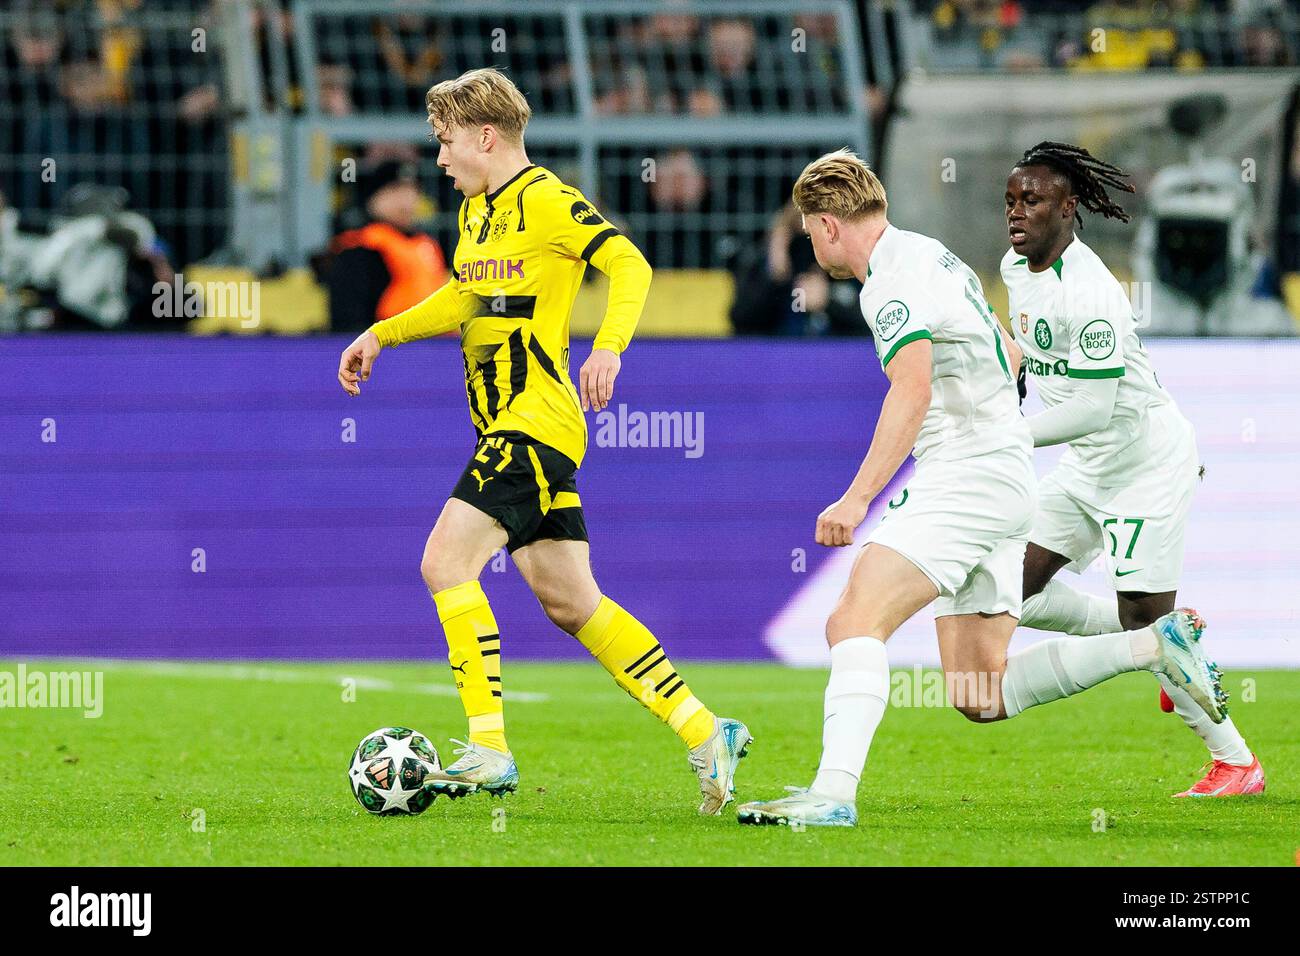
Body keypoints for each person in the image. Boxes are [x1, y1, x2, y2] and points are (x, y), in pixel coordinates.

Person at [736, 149, 1226, 828]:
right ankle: (1149, 643)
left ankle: (833, 795)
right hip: (1004, 476)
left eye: (809, 232)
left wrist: (857, 497)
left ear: (825, 226)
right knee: (978, 691)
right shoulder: (930, 254)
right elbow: (1004, 349)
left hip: (966, 474)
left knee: (853, 618)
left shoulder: (888, 284)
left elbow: (912, 389)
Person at [336, 68, 750, 814]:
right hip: (514, 427)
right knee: (571, 600)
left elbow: (629, 261)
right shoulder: (475, 216)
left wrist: (609, 347)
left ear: (486, 137)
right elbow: (467, 296)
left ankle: (489, 748)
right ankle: (706, 728)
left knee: (444, 560)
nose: (440, 160)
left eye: (447, 142)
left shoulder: (547, 199)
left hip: (536, 419)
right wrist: (381, 334)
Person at [1004, 141, 1263, 797]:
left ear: (1068, 208)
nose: (1016, 212)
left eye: (1031, 200)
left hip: (1146, 461)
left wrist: (1006, 434)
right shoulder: (1016, 267)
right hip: (1089, 465)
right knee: (1009, 588)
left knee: (1143, 614)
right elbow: (1032, 348)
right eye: (1010, 199)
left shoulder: (1093, 294)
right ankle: (1165, 638)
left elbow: (1092, 408)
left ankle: (1236, 763)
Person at [326, 159, 448, 334]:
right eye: (394, 190)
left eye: (412, 190)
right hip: (388, 351)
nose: (406, 201)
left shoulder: (427, 245)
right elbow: (348, 323)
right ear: (373, 198)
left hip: (433, 349)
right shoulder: (361, 248)